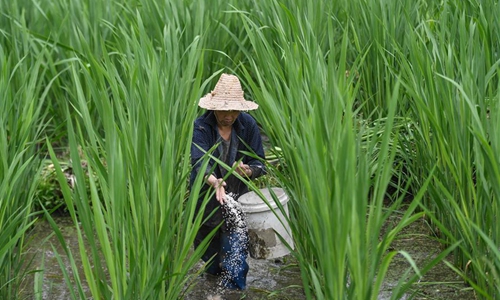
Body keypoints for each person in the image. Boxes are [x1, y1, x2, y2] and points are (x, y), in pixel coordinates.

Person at [190, 73, 266, 290]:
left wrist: (249, 171)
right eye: (224, 110)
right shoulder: (202, 126)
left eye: (234, 110)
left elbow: (259, 162)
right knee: (211, 262)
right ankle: (214, 286)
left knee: (235, 261)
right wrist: (215, 181)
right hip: (207, 201)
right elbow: (199, 161)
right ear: (213, 108)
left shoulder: (248, 125)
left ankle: (234, 292)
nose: (229, 115)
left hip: (236, 201)